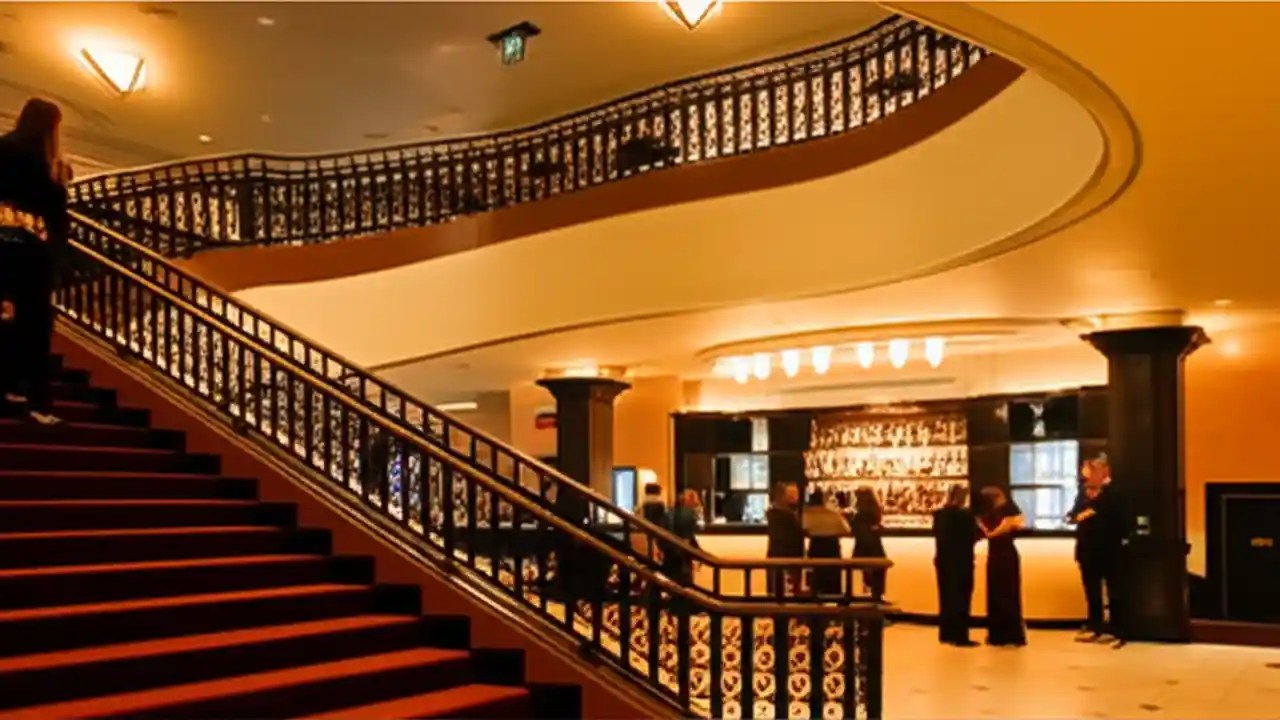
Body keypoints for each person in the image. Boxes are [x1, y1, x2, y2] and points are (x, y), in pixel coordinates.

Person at [0, 98, 69, 426]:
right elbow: (57, 217)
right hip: (31, 250)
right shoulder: (48, 165)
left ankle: (12, 387)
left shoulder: (5, 149)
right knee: (36, 324)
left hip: (5, 244)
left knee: (10, 319)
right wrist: (59, 259)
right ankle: (37, 400)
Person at [1070, 456, 1129, 648]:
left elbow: (1117, 518)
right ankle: (1095, 626)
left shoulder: (1115, 492)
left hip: (1109, 549)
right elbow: (1073, 514)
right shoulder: (1083, 493)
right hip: (1087, 549)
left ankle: (1116, 629)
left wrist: (1090, 511)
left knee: (1114, 590)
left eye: (1087, 472)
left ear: (1101, 471)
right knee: (1091, 591)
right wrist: (1077, 515)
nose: (1084, 476)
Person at [933, 484, 982, 646]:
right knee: (962, 597)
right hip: (962, 560)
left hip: (942, 560)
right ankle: (961, 636)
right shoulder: (966, 516)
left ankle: (946, 633)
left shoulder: (939, 514)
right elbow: (976, 535)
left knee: (946, 596)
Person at [979, 485, 1027, 647]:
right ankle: (1003, 634)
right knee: (1002, 594)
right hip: (1000, 554)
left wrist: (991, 533)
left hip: (1003, 554)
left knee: (1006, 594)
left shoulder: (1007, 509)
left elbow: (1013, 524)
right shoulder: (1000, 510)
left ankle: (1004, 634)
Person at [803, 488, 851, 596]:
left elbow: (802, 530)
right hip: (832, 546)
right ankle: (834, 600)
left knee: (816, 576)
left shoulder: (805, 514)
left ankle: (816, 599)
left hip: (816, 546)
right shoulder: (833, 514)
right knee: (833, 577)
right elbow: (846, 530)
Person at [765, 482, 803, 596]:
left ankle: (774, 597)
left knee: (776, 581)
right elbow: (796, 534)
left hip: (775, 550)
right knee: (792, 578)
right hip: (790, 550)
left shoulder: (772, 514)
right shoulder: (789, 515)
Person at [852, 487, 888, 600]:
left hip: (864, 550)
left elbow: (858, 532)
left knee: (869, 577)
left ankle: (871, 596)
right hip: (876, 549)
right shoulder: (875, 514)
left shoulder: (860, 516)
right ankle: (878, 597)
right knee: (878, 574)